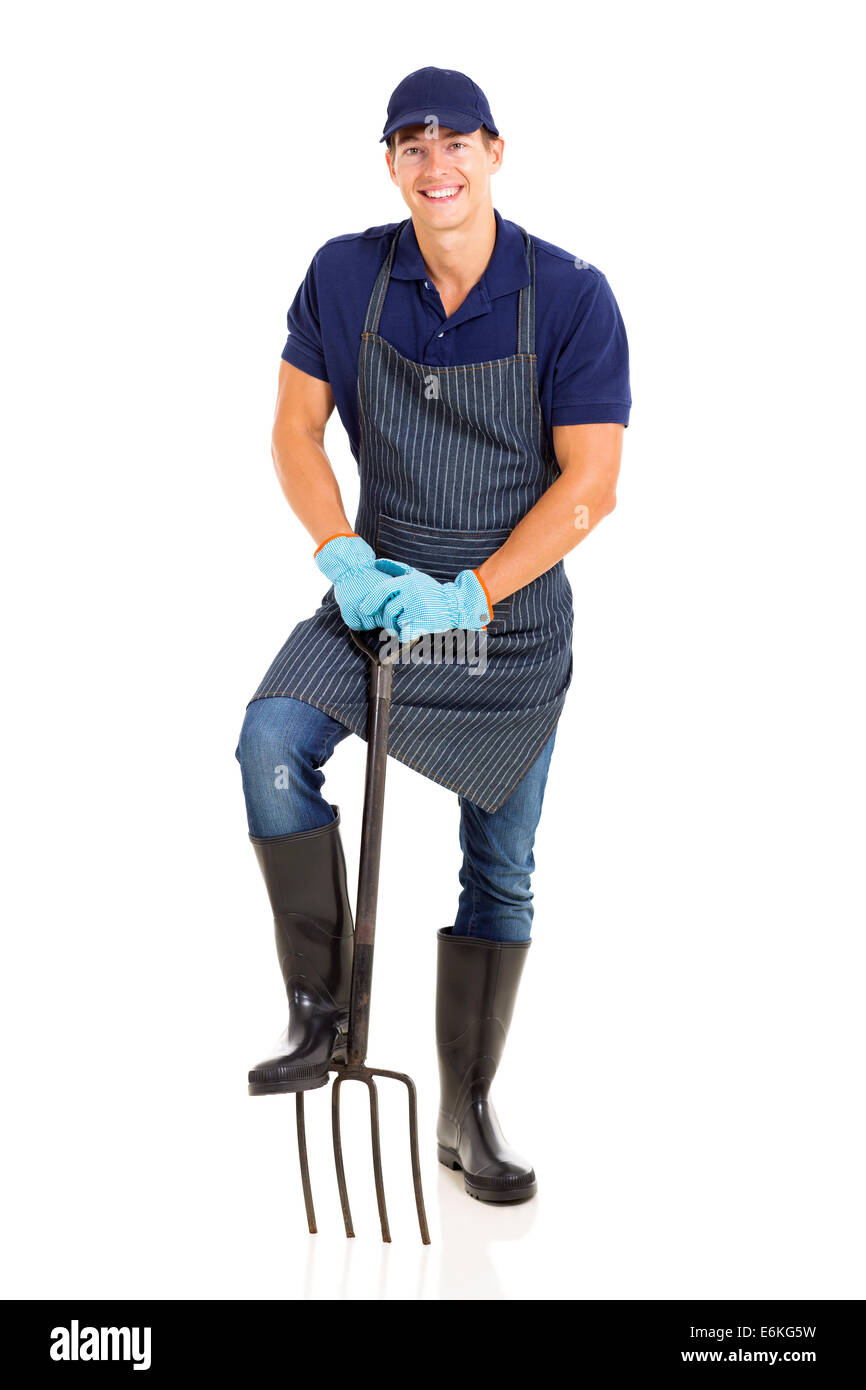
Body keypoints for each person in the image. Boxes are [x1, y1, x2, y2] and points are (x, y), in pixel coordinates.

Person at [236, 66, 630, 1204]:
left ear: (496, 153)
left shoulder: (566, 294)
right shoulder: (346, 273)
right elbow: (295, 432)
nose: (436, 162)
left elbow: (589, 485)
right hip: (376, 601)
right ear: (390, 166)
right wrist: (340, 557)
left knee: (497, 868)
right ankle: (325, 1016)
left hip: (498, 621)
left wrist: (472, 594)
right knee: (270, 742)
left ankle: (464, 1107)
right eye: (411, 144)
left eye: (456, 140)